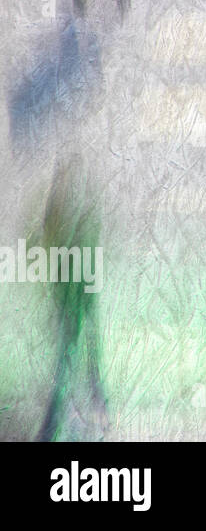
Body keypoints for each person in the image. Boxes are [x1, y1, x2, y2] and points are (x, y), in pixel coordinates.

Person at [36, 162, 107, 441]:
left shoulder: (77, 214)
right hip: (71, 288)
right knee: (75, 351)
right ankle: (73, 414)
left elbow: (52, 240)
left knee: (77, 350)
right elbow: (51, 241)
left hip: (77, 287)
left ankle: (66, 418)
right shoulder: (71, 213)